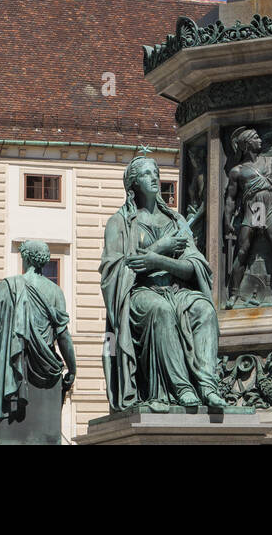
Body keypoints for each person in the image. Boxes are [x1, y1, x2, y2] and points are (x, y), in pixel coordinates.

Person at [100, 151, 228, 410]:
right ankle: (181, 387)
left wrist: (158, 261)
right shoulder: (119, 223)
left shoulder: (176, 220)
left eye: (156, 172)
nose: (155, 177)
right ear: (133, 183)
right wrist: (161, 247)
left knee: (203, 308)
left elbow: (195, 267)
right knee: (161, 310)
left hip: (177, 289)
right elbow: (115, 270)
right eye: (147, 173)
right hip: (139, 293)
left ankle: (207, 384)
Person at [0, 240, 76, 444]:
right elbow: (63, 335)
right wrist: (72, 368)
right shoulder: (55, 292)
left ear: (25, 258)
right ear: (44, 262)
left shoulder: (6, 287)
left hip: (13, 369)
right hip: (48, 373)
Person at [223, 127, 272, 306]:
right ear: (246, 145)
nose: (260, 140)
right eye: (255, 138)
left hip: (270, 206)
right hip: (255, 208)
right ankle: (234, 293)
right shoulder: (237, 170)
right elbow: (230, 198)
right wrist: (227, 219)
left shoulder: (270, 162)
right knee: (243, 250)